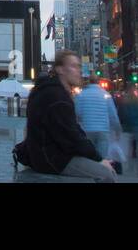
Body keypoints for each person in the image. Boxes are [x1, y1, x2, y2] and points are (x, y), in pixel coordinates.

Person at [14, 50, 116, 183]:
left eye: (79, 66)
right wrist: (99, 159)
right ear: (60, 69)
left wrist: (95, 157)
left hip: (46, 154)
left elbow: (74, 130)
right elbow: (71, 137)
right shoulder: (57, 97)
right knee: (106, 174)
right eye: (73, 66)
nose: (79, 71)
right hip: (51, 159)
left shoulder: (53, 91)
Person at [74, 78, 121, 161]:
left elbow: (77, 113)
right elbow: (112, 114)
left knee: (89, 157)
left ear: (88, 82)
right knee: (102, 158)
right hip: (103, 130)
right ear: (98, 82)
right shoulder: (105, 94)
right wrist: (117, 128)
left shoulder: (81, 95)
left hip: (87, 130)